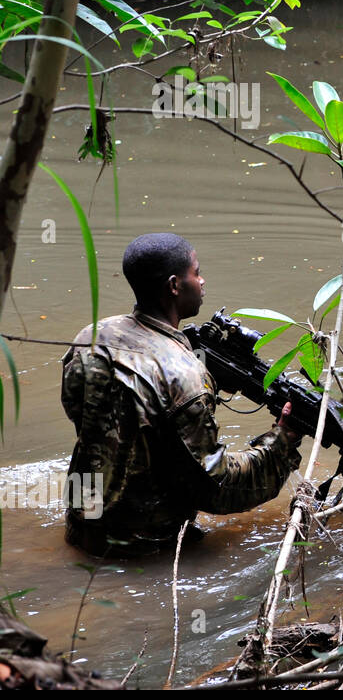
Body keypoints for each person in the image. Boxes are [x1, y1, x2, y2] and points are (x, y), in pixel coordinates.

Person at [61, 233, 303, 557]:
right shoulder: (185, 376)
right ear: (175, 286)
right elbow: (218, 488)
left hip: (82, 530)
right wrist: (283, 439)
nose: (203, 282)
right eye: (197, 273)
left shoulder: (91, 338)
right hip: (147, 550)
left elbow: (92, 416)